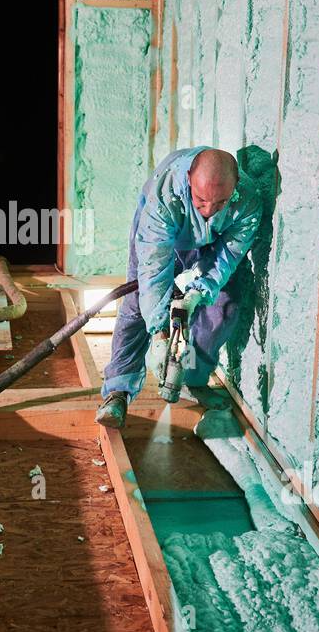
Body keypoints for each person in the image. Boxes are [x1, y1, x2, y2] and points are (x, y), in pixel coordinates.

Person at [95, 146, 269, 429]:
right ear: (189, 179)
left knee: (225, 304)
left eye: (220, 202)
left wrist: (200, 291)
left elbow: (228, 256)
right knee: (137, 302)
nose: (209, 210)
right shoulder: (165, 195)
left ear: (236, 186)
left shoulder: (248, 202)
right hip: (167, 234)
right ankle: (118, 390)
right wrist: (160, 332)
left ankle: (192, 378)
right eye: (201, 200)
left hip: (213, 240)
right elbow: (154, 270)